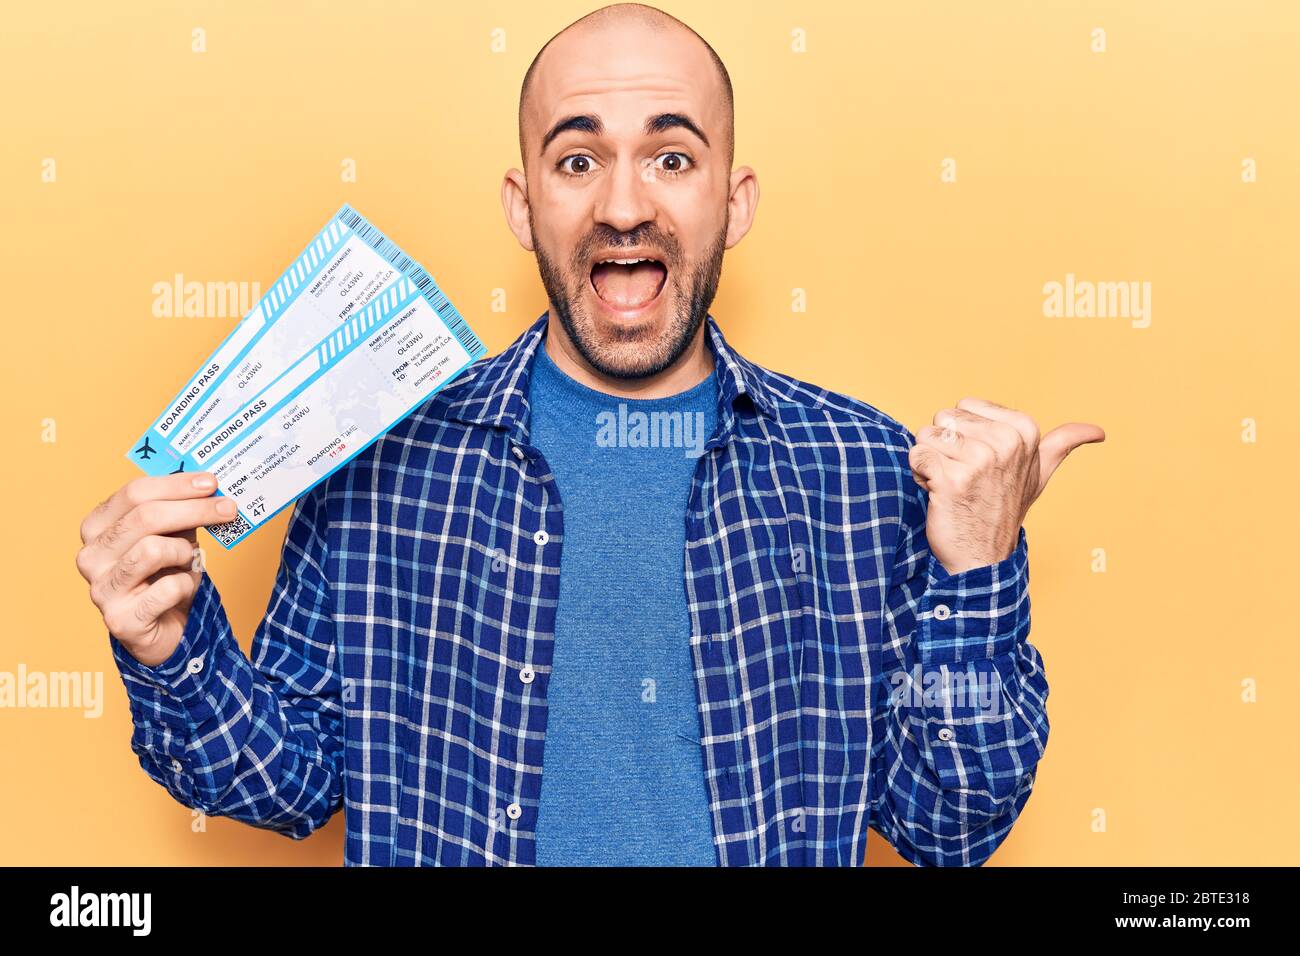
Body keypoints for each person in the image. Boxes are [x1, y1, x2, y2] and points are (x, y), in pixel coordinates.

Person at [75, 3, 1103, 866]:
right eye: (577, 159)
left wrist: (976, 569)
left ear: (732, 202)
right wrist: (170, 645)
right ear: (523, 206)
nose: (622, 205)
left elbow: (947, 822)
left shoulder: (859, 471)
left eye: (670, 155)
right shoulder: (382, 463)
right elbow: (287, 781)